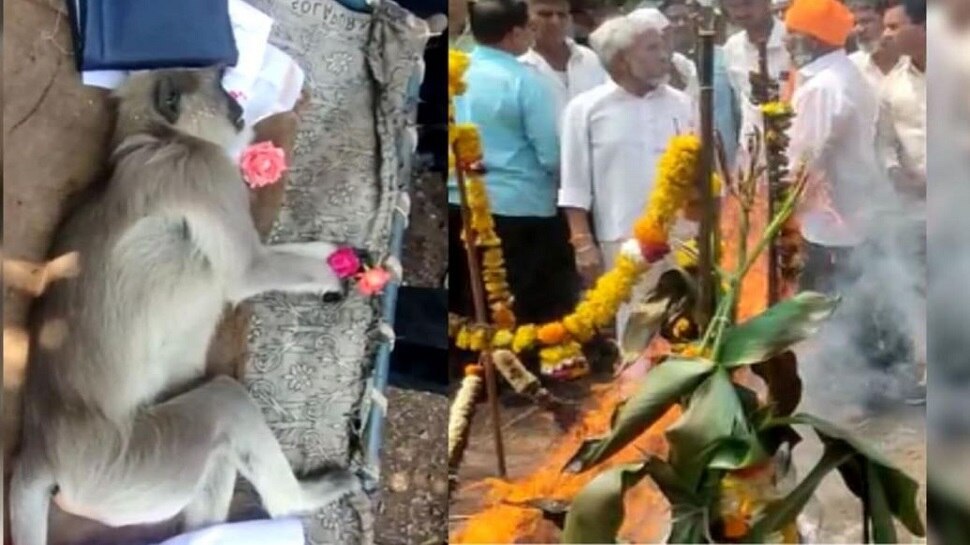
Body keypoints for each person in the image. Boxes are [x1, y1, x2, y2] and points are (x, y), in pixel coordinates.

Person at [558, 14, 695, 338]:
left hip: (684, 236)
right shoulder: (585, 108)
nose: (664, 55)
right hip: (624, 240)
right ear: (622, 60)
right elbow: (574, 185)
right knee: (637, 331)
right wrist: (583, 245)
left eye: (662, 46)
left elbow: (703, 170)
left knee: (689, 324)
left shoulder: (683, 103)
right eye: (651, 48)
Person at [448, 0, 579, 328]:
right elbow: (550, 155)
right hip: (522, 210)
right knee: (527, 312)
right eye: (529, 28)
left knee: (468, 306)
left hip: (460, 202)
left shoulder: (455, 72)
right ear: (514, 33)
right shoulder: (525, 81)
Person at [877, 0, 926, 388]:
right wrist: (895, 172)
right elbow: (884, 142)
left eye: (894, 26)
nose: (886, 35)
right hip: (919, 209)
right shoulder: (892, 83)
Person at [520, 0, 608, 125]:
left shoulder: (590, 58)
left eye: (561, 15)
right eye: (545, 14)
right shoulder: (518, 64)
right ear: (526, 19)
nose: (555, 21)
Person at [721, 0, 791, 152]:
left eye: (748, 3)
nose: (741, 13)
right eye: (733, 6)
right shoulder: (731, 49)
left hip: (792, 145)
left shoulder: (793, 39)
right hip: (753, 150)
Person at [848, 0, 902, 90]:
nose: (859, 29)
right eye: (854, 24)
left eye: (866, 21)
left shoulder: (914, 63)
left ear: (886, 21)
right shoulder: (851, 67)